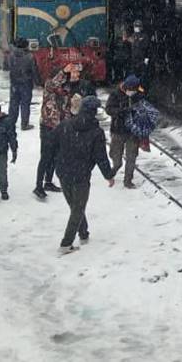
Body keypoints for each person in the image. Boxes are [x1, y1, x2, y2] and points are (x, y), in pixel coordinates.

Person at [54, 96, 116, 252]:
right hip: (81, 174)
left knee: (75, 206)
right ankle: (66, 243)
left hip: (63, 171)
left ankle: (83, 233)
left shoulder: (65, 125)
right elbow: (101, 157)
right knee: (78, 208)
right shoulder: (96, 132)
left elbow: (52, 146)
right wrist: (108, 175)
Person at [36, 63, 81, 199]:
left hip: (60, 127)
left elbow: (68, 109)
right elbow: (54, 83)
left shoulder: (67, 90)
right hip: (48, 126)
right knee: (45, 157)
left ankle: (48, 182)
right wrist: (64, 71)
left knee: (55, 156)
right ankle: (38, 185)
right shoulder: (49, 87)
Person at [105, 75, 144, 189]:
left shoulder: (139, 94)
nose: (132, 92)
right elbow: (109, 109)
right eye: (131, 90)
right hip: (118, 130)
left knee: (132, 157)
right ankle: (113, 169)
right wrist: (122, 111)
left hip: (133, 131)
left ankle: (128, 180)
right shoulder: (115, 94)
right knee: (116, 157)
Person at [6, 38, 37, 131]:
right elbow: (34, 71)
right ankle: (24, 124)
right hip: (26, 83)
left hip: (14, 83)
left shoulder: (11, 55)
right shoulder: (30, 57)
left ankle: (11, 123)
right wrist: (38, 81)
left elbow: (7, 66)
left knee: (13, 103)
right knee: (25, 104)